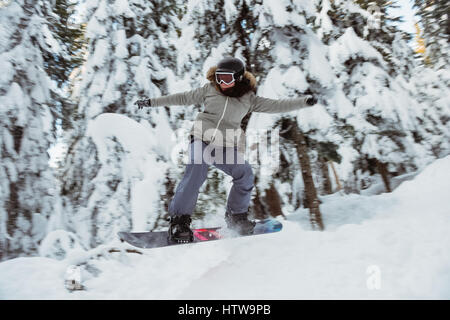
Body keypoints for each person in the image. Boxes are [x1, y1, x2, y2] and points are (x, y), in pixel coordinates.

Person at [135, 57, 317, 243]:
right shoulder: (209, 90)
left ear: (238, 78)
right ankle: (179, 222)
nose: (222, 83)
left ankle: (236, 217)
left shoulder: (248, 99)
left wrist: (304, 102)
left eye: (227, 78)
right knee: (196, 170)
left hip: (224, 145)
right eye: (219, 78)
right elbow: (181, 98)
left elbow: (277, 106)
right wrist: (151, 102)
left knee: (244, 173)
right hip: (201, 139)